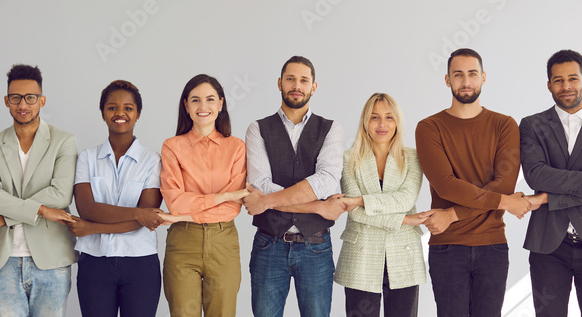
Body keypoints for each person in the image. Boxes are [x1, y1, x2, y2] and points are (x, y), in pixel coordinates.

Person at [414, 48, 530, 317]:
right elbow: (446, 185)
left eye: (472, 74)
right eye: (458, 75)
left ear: (483, 77)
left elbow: (504, 186)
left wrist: (452, 215)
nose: (466, 81)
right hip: (447, 247)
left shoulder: (505, 125)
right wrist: (504, 202)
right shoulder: (429, 127)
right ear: (447, 80)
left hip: (492, 245)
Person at [519, 49, 582, 317]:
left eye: (573, 79)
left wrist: (545, 198)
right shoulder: (532, 126)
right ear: (549, 85)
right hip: (548, 246)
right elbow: (536, 175)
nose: (566, 86)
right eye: (558, 80)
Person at [243, 56, 347, 317]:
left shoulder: (331, 129)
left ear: (314, 87)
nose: (296, 85)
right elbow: (260, 185)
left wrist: (267, 202)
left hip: (316, 246)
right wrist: (319, 207)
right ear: (280, 83)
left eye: (303, 80)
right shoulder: (258, 129)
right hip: (269, 244)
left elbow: (326, 181)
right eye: (290, 79)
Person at [0, 64, 79, 317]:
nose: (23, 104)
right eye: (16, 98)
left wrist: (5, 216)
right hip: (3, 260)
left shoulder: (64, 141)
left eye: (30, 97)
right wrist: (41, 209)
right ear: (6, 101)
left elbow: (61, 194)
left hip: (51, 258)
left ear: (42, 100)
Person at [69, 80, 166, 317]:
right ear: (103, 113)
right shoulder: (87, 158)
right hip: (95, 263)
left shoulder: (152, 160)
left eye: (128, 108)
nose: (119, 113)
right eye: (112, 107)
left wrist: (92, 228)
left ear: (138, 114)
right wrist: (137, 213)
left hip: (140, 264)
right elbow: (87, 208)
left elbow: (146, 219)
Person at [334, 93, 433, 317]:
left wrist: (361, 200)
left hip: (403, 253)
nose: (382, 124)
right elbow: (356, 213)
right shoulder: (348, 158)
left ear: (397, 122)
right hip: (362, 253)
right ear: (365, 121)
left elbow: (406, 199)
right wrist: (405, 219)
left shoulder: (413, 157)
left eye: (389, 117)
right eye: (374, 117)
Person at [158, 74, 248, 316]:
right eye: (195, 100)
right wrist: (224, 195)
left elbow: (232, 208)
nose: (203, 106)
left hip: (223, 242)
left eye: (210, 99)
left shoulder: (237, 147)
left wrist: (181, 215)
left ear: (220, 104)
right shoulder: (172, 146)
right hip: (183, 243)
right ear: (186, 106)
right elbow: (176, 203)